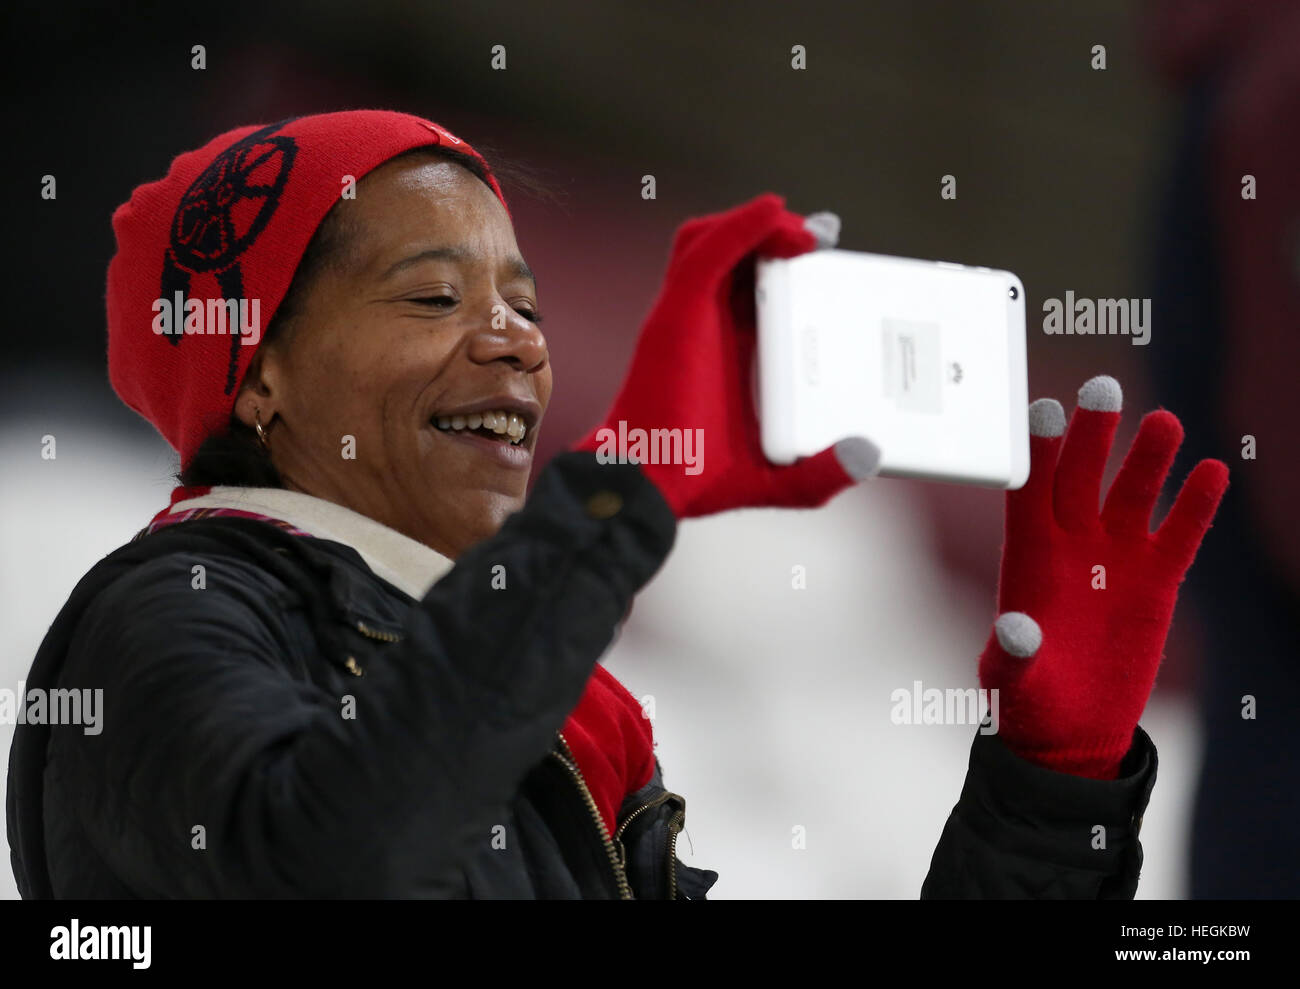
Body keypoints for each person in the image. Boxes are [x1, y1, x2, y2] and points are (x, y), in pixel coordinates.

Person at [6, 110, 1227, 899]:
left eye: (524, 305)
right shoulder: (166, 616)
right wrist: (622, 489)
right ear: (258, 370)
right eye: (433, 299)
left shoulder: (574, 717)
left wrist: (1050, 783)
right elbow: (333, 864)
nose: (513, 348)